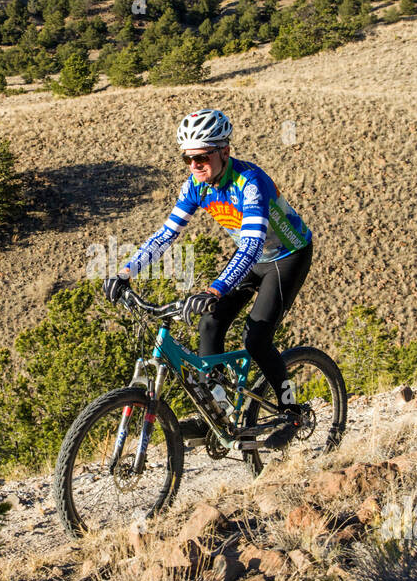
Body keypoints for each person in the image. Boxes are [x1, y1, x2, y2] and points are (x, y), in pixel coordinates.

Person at [103, 108, 313, 442]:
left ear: (224, 152)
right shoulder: (196, 187)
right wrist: (125, 272)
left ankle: (292, 412)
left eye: (201, 157)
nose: (194, 166)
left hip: (287, 256)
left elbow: (252, 245)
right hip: (251, 257)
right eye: (187, 159)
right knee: (210, 324)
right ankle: (218, 411)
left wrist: (215, 290)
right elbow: (165, 236)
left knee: (256, 339)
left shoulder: (250, 183)